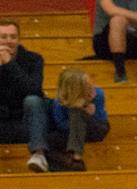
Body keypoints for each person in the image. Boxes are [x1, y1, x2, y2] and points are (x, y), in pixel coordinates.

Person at [0, 21, 50, 172]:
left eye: (13, 37)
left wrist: (9, 64)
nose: (8, 40)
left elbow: (34, 90)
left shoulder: (34, 59)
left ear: (19, 39)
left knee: (33, 100)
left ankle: (39, 155)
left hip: (25, 118)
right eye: (3, 37)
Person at [44, 68, 107, 172]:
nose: (91, 86)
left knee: (77, 113)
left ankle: (77, 155)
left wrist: (87, 115)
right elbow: (61, 124)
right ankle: (70, 166)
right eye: (86, 84)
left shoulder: (98, 94)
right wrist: (79, 108)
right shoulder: (59, 101)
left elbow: (101, 119)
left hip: (95, 127)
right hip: (69, 132)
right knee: (48, 140)